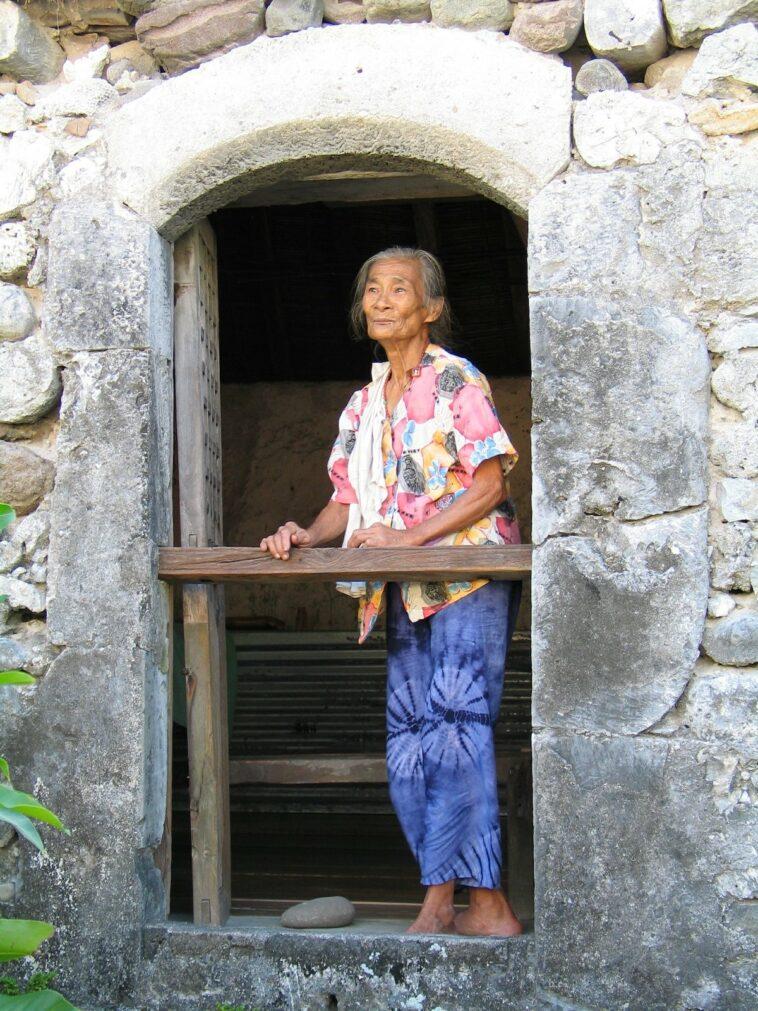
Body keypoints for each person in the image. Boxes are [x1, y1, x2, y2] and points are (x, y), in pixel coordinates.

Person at [260, 247, 523, 936]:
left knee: (458, 732)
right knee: (410, 740)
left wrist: (409, 538)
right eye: (372, 288)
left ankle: (466, 902)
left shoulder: (456, 379)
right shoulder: (363, 405)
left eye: (398, 289)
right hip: (405, 588)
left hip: (467, 579)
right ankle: (461, 899)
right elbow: (345, 500)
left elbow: (490, 484)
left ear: (430, 308)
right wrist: (306, 534)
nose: (380, 299)